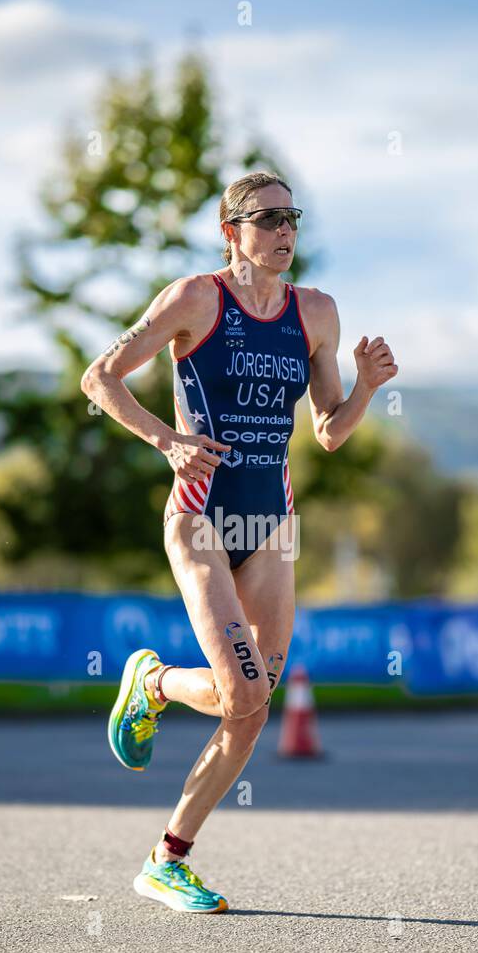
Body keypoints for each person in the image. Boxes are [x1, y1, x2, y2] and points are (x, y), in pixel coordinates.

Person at [80, 171, 398, 912]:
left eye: (294, 217)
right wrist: (167, 440)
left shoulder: (316, 313)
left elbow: (327, 432)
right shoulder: (195, 297)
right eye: (270, 218)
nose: (286, 230)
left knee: (254, 707)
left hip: (271, 525)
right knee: (240, 689)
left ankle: (168, 858)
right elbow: (100, 377)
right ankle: (152, 683)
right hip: (199, 517)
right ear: (233, 230)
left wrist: (366, 387)